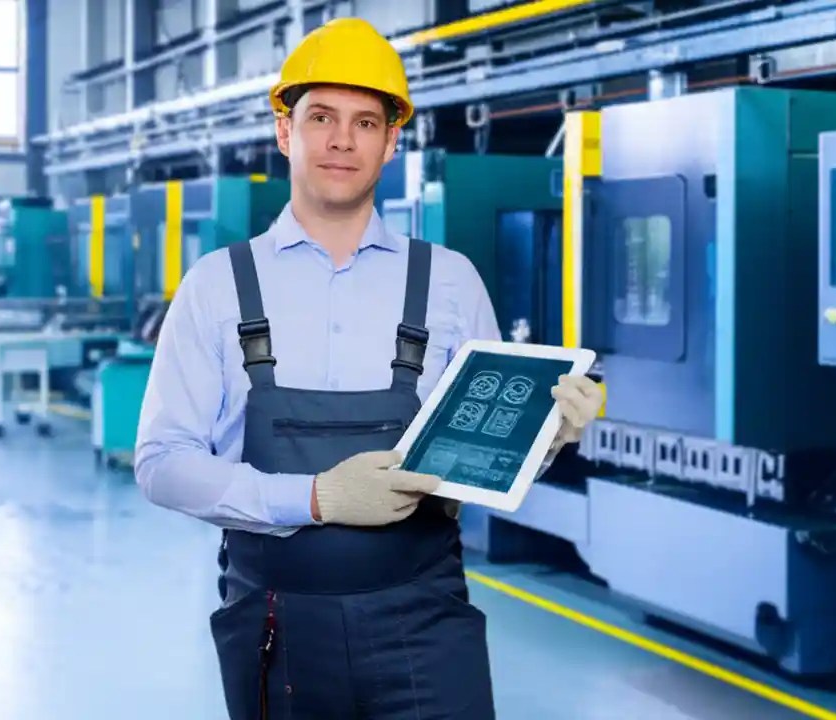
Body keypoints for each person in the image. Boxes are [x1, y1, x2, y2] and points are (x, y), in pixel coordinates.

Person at [134, 16, 604, 720]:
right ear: (285, 132)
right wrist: (315, 497)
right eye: (321, 116)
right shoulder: (216, 285)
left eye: (365, 122)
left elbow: (483, 461)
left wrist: (549, 438)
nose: (341, 140)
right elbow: (162, 462)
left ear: (391, 142)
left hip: (425, 623)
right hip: (276, 628)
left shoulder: (449, 281)